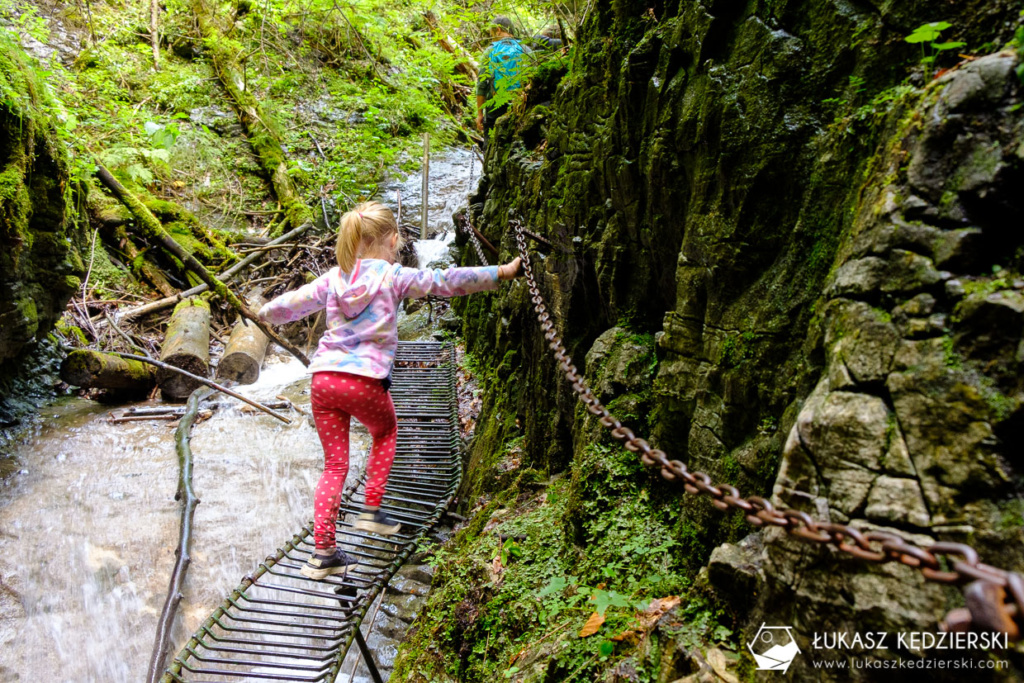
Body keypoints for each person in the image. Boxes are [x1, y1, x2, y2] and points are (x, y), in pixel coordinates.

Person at [258, 201, 521, 580]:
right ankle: (371, 508)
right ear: (393, 239)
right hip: (363, 382)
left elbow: (290, 306)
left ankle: (323, 553)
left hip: (323, 381)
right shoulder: (392, 276)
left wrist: (261, 313)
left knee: (334, 466)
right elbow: (444, 281)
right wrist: (499, 272)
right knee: (385, 432)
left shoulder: (333, 278)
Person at [476, 16, 530, 141]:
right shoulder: (525, 50)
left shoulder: (490, 51)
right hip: (520, 105)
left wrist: (479, 114)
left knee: (492, 142)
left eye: (491, 34)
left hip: (494, 106)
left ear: (498, 29)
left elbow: (482, 84)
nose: (491, 37)